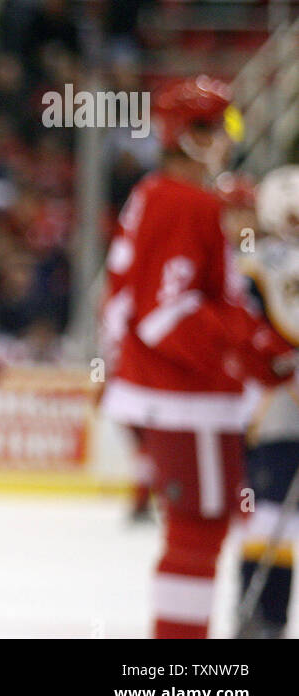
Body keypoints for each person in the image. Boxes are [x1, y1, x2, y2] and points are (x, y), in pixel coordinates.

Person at [99, 77, 282, 638]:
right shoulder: (187, 203)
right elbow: (167, 312)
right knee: (196, 535)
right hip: (184, 397)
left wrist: (263, 351)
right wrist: (240, 356)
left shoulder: (158, 194)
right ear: (188, 135)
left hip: (165, 393)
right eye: (220, 127)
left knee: (194, 531)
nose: (229, 139)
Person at [234, 165, 299, 637]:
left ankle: (264, 616)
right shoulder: (250, 263)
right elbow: (244, 336)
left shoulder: (250, 261)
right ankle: (263, 615)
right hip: (272, 404)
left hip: (273, 401)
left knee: (274, 511)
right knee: (271, 510)